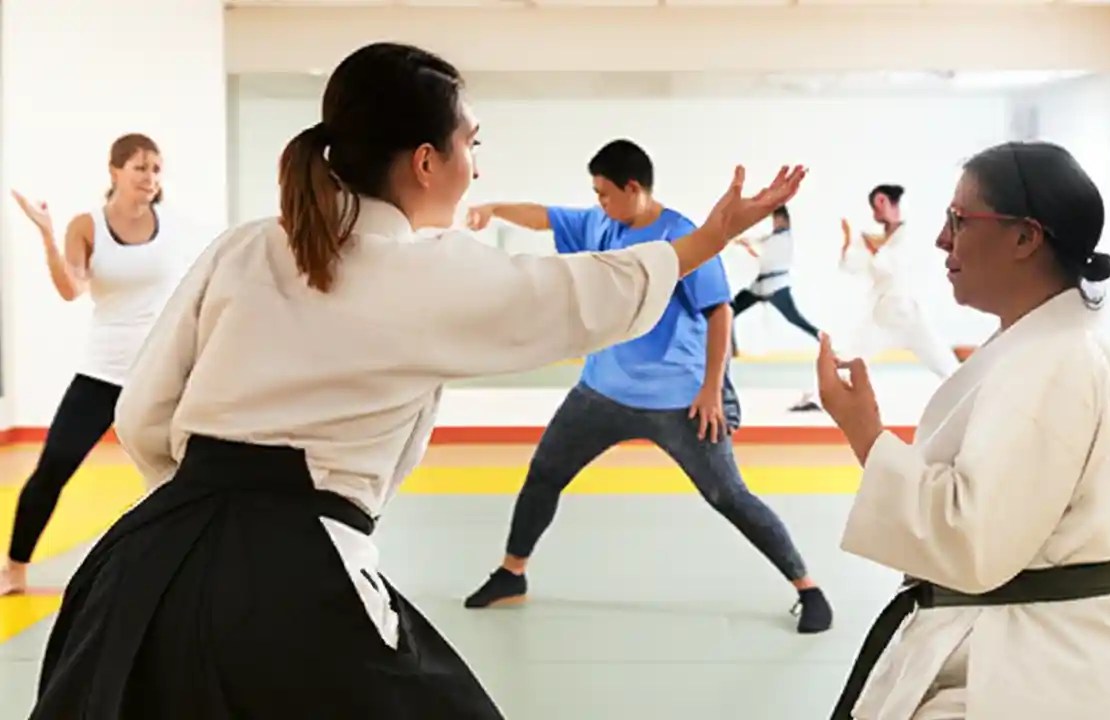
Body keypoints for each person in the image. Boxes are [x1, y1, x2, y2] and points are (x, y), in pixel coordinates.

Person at [27, 43, 807, 719]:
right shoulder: (427, 272)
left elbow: (143, 413)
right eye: (472, 142)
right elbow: (583, 295)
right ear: (427, 161)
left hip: (140, 567)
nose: (478, 164)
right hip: (293, 580)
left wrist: (204, 507)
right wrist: (712, 236)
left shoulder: (247, 245)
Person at [818, 142, 1110, 720]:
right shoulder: (1047, 349)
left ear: (1025, 237)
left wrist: (867, 436)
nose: (942, 240)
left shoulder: (1055, 362)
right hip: (1030, 646)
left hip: (1032, 669)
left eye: (959, 220)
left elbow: (975, 542)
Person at [462, 141, 834, 634]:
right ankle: (512, 573)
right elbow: (544, 216)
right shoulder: (601, 223)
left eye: (605, 193)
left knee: (728, 495)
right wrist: (492, 209)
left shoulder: (679, 236)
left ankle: (808, 587)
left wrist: (710, 390)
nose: (599, 203)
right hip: (601, 391)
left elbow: (719, 312)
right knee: (545, 473)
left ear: (633, 188)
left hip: (677, 400)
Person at [0, 133, 193, 597]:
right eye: (140, 167)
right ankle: (14, 568)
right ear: (115, 171)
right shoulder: (88, 225)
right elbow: (72, 288)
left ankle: (183, 569)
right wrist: (47, 235)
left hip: (159, 373)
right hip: (102, 372)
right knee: (54, 466)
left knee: (182, 474)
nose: (150, 177)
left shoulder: (171, 224)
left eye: (156, 169)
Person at [791, 184, 959, 412]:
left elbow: (892, 267)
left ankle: (970, 392)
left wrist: (874, 247)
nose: (874, 213)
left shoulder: (907, 236)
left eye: (876, 206)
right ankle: (816, 397)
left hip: (903, 308)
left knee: (940, 358)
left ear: (884, 201)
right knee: (851, 353)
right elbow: (852, 266)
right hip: (888, 310)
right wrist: (848, 242)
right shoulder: (876, 240)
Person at [728, 204, 822, 356]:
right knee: (729, 310)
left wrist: (747, 245)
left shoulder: (783, 239)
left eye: (776, 219)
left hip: (776, 286)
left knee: (794, 318)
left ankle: (823, 339)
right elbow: (760, 245)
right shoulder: (775, 237)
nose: (775, 223)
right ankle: (732, 350)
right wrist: (745, 243)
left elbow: (762, 251)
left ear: (784, 220)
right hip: (760, 286)